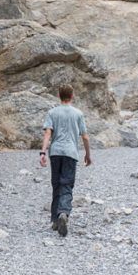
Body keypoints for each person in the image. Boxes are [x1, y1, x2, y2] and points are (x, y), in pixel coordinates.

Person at [38, 84, 91, 237]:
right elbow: (85, 136)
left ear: (59, 95)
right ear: (72, 95)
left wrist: (43, 152)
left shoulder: (52, 112)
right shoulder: (78, 113)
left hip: (55, 153)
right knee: (66, 184)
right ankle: (63, 213)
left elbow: (48, 133)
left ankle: (55, 220)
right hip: (70, 153)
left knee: (56, 184)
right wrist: (88, 154)